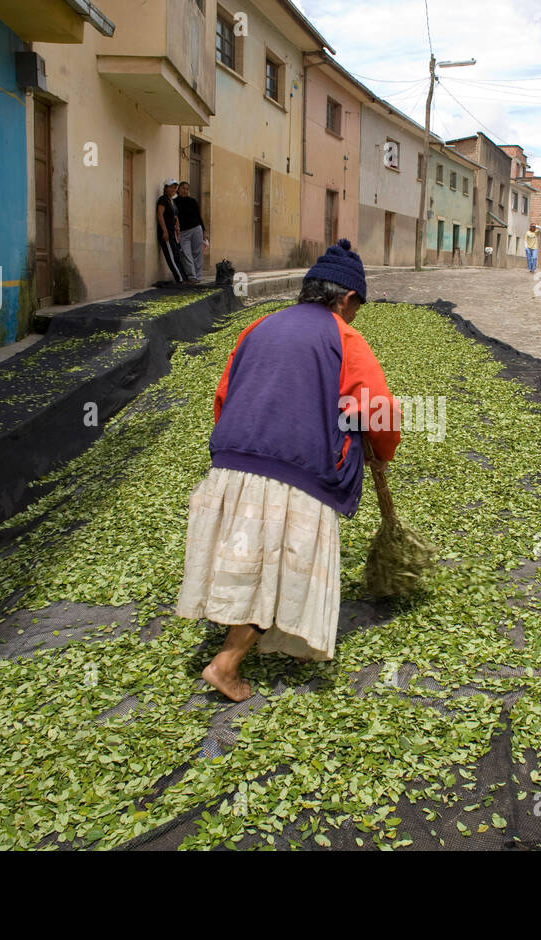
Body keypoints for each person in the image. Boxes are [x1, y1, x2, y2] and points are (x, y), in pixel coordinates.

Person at [175, 239, 401, 702]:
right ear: (347, 299)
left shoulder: (259, 326)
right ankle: (225, 664)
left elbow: (224, 396)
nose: (355, 315)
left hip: (234, 459)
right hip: (295, 470)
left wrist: (239, 448)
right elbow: (377, 411)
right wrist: (381, 450)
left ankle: (292, 641)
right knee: (276, 567)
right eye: (357, 306)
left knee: (256, 557)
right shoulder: (345, 337)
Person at [156, 179, 197, 285]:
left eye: (174, 187)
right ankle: (180, 279)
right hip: (166, 233)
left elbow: (175, 216)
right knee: (171, 257)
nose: (173, 189)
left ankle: (184, 277)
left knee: (177, 256)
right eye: (171, 187)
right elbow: (160, 215)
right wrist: (164, 231)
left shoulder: (171, 201)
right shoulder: (163, 200)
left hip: (173, 233)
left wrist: (177, 228)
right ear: (165, 188)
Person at [175, 181, 208, 281]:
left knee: (197, 254)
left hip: (196, 229)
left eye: (187, 189)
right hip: (183, 232)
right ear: (178, 189)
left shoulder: (193, 201)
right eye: (183, 188)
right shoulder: (174, 202)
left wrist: (204, 230)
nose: (185, 190)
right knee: (186, 254)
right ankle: (191, 276)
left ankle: (198, 277)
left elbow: (198, 216)